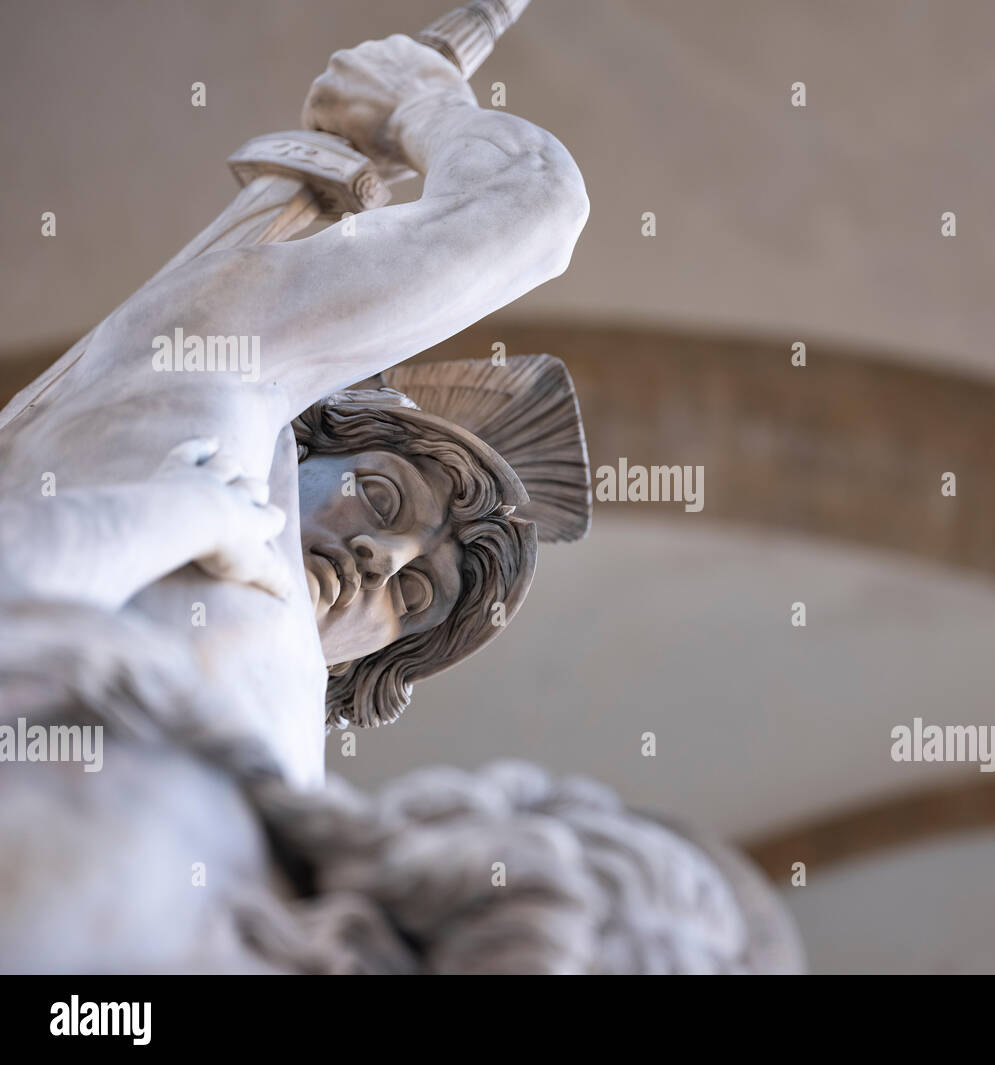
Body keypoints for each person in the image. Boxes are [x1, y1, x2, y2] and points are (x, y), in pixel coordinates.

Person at [0, 34, 589, 784]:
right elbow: (533, 206)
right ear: (311, 443)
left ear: (362, 664)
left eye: (414, 596)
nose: (386, 558)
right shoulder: (227, 378)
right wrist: (418, 101)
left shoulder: (296, 773)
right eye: (379, 493)